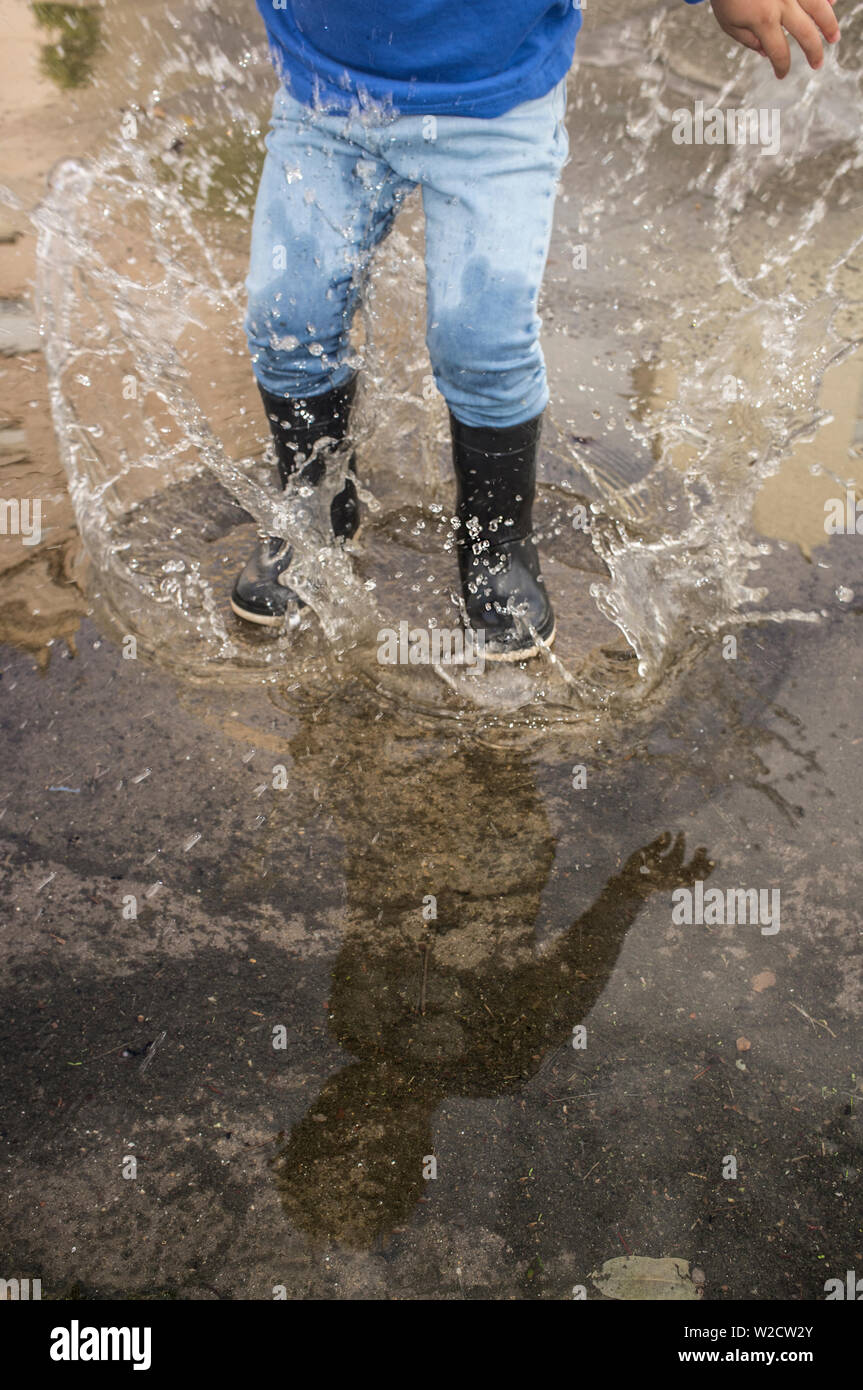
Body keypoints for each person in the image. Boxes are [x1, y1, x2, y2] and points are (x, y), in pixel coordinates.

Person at [232, 0, 841, 658]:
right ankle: (314, 513)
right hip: (322, 91)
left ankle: (496, 543)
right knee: (286, 314)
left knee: (481, 338)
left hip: (494, 101)